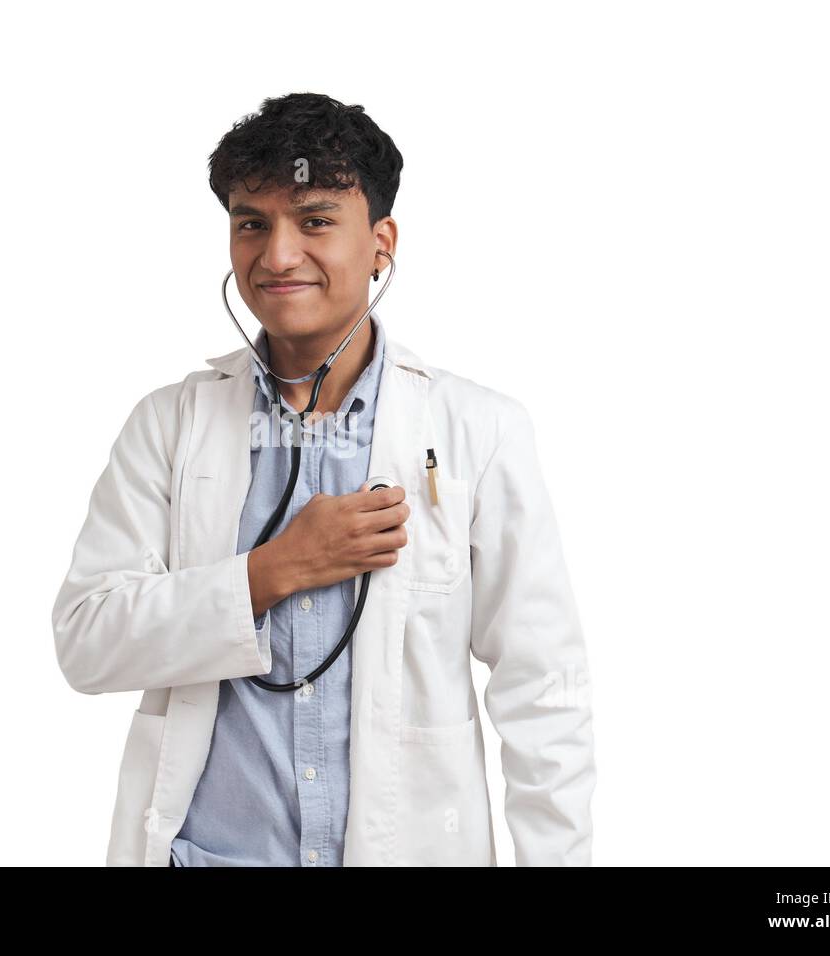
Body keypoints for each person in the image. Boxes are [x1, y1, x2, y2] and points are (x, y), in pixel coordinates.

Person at [51, 92, 595, 866]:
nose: (276, 256)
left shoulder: (478, 431)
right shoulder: (168, 426)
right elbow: (87, 643)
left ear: (381, 243)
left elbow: (543, 690)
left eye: (314, 220)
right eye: (251, 223)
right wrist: (273, 572)